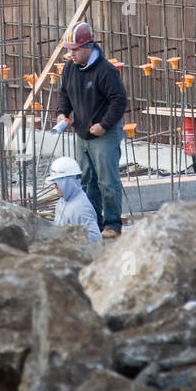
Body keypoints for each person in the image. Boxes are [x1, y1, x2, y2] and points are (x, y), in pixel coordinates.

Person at [53, 20, 128, 238]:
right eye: (69, 51)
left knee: (107, 179)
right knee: (86, 179)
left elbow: (119, 101)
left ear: (88, 47)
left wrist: (104, 125)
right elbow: (65, 93)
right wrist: (62, 113)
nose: (71, 55)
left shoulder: (105, 71)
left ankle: (113, 224)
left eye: (75, 50)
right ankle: (95, 221)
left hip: (104, 134)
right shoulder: (70, 68)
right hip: (83, 132)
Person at [46, 156, 102, 244]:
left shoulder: (81, 208)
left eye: (57, 183)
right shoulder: (62, 202)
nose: (55, 187)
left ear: (66, 183)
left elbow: (95, 239)